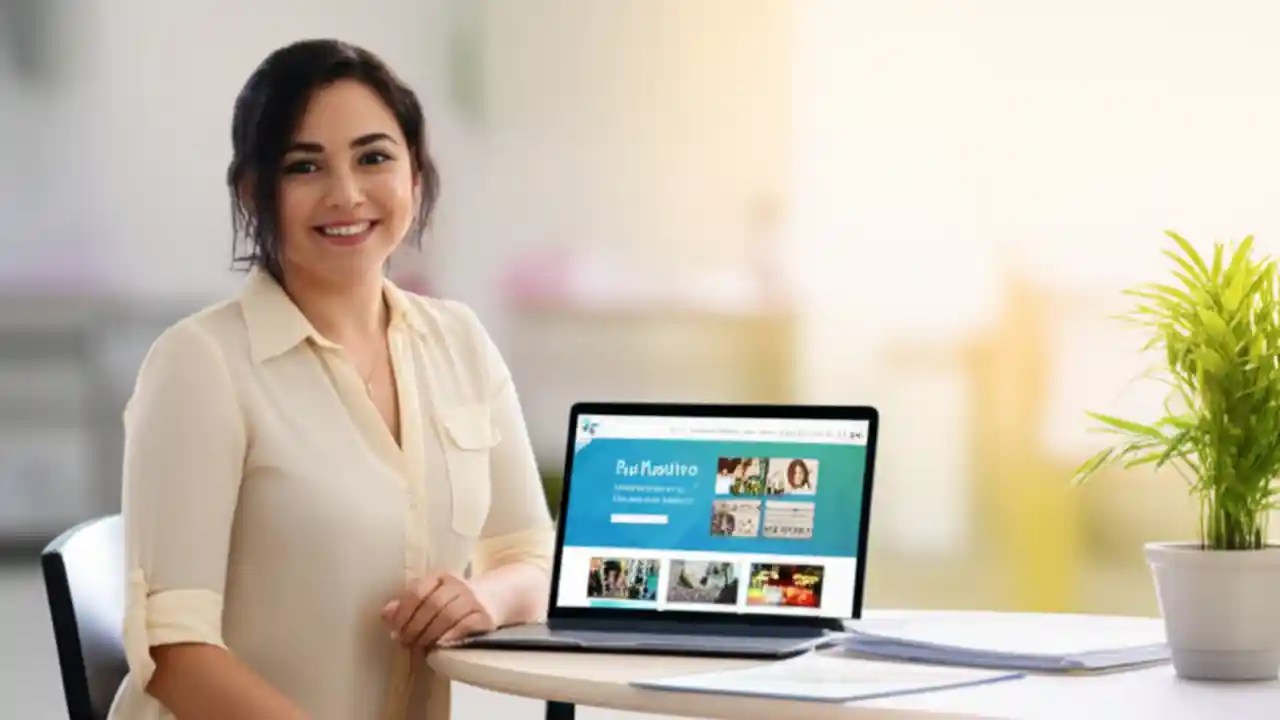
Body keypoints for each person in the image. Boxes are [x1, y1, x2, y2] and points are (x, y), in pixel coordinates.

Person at [109, 39, 554, 720]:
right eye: (303, 166)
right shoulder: (199, 365)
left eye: (373, 157)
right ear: (254, 191)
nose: (345, 194)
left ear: (414, 174)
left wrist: (486, 598)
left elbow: (530, 554)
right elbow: (173, 653)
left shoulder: (459, 341)